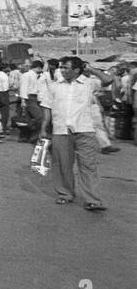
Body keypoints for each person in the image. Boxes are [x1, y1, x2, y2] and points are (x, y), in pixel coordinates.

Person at [40, 56, 106, 211]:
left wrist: (91, 69)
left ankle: (93, 199)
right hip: (61, 130)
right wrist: (44, 128)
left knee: (88, 165)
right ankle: (65, 194)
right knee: (63, 165)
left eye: (66, 68)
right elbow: (47, 108)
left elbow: (108, 80)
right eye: (61, 68)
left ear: (76, 70)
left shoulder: (89, 83)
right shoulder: (54, 86)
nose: (62, 70)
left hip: (85, 129)